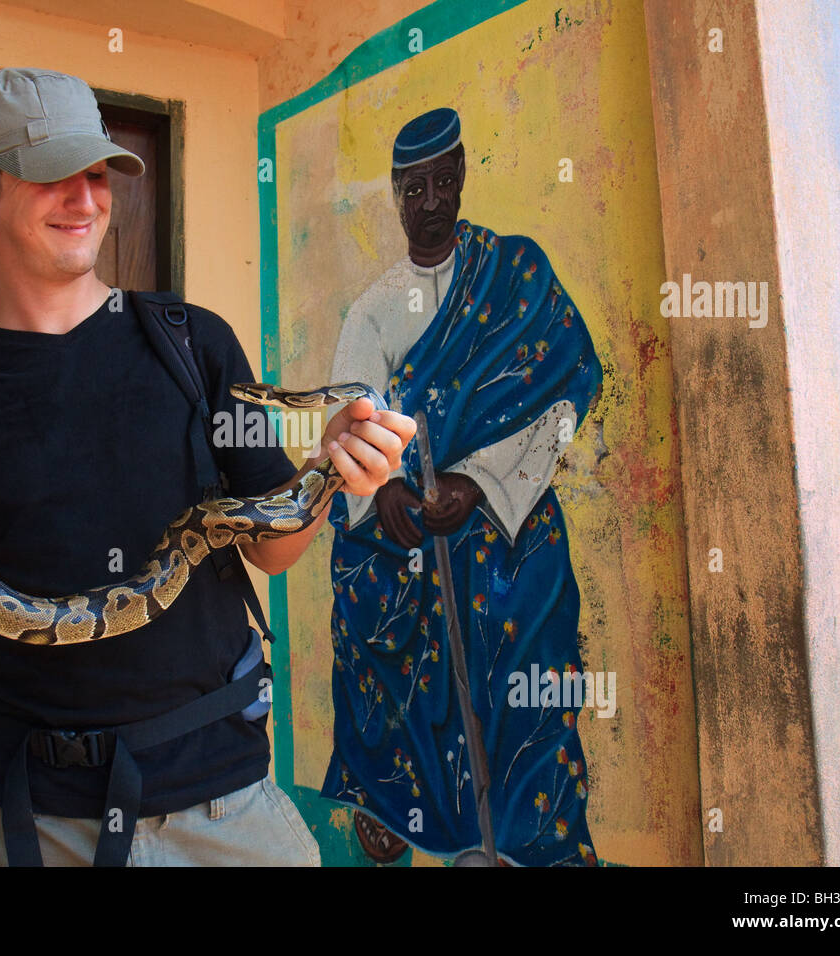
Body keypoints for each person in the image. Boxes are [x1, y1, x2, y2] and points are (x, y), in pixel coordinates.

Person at [0, 67, 415, 866]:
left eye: (96, 173)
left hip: (223, 806)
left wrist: (330, 470)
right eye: (52, 174)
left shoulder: (191, 344)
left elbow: (269, 547)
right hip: (27, 817)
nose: (84, 199)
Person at [321, 108, 603, 865]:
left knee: (530, 700)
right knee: (379, 626)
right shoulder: (374, 311)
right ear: (397, 193)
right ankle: (409, 814)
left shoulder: (517, 273)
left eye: (444, 182)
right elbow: (349, 432)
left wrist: (477, 483)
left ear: (461, 178)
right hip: (416, 547)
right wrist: (381, 496)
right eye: (415, 188)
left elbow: (570, 389)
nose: (430, 200)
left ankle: (529, 846)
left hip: (513, 546)